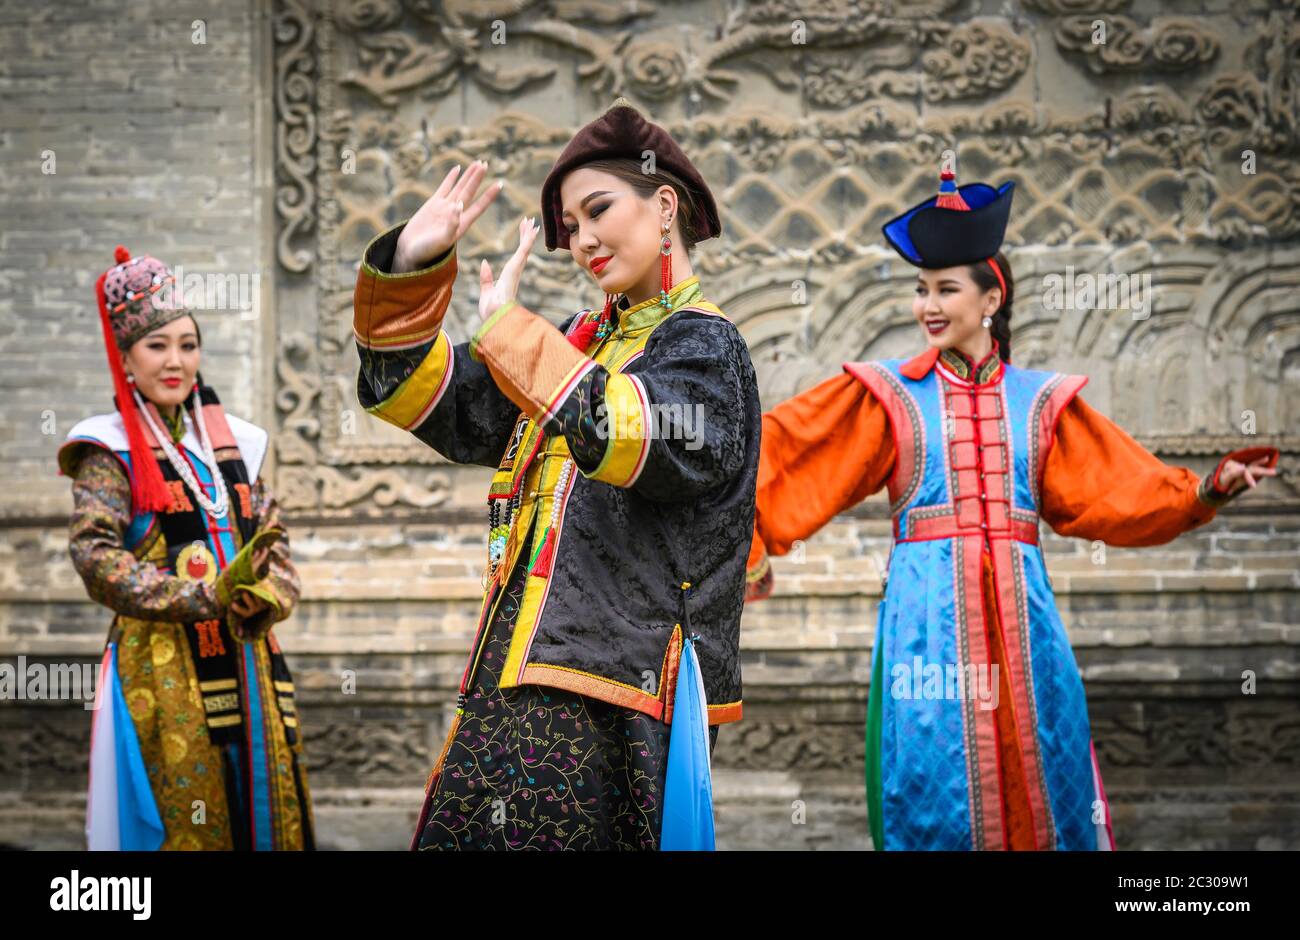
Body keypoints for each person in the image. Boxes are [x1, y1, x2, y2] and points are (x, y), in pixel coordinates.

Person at [744, 164, 1279, 850]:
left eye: (946, 289)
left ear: (990, 296)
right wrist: (708, 477)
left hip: (1027, 630)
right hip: (926, 632)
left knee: (1045, 771)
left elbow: (1115, 489)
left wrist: (1205, 489)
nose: (927, 305)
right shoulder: (887, 397)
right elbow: (789, 455)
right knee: (930, 780)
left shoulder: (1041, 403)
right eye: (921, 290)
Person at [353, 100, 760, 850]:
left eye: (597, 211)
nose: (582, 241)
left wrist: (513, 330)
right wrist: (412, 264)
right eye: (569, 228)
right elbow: (429, 399)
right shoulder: (574, 348)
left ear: (664, 204)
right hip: (509, 678)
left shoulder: (707, 352)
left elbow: (633, 436)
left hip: (609, 693)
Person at [59, 246, 313, 850]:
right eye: (157, 346)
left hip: (248, 658)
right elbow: (95, 557)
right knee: (186, 818)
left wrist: (265, 596)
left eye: (188, 345)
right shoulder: (107, 451)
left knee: (261, 809)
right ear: (125, 358)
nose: (176, 361)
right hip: (161, 670)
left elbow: (275, 543)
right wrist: (202, 596)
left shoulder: (233, 447)